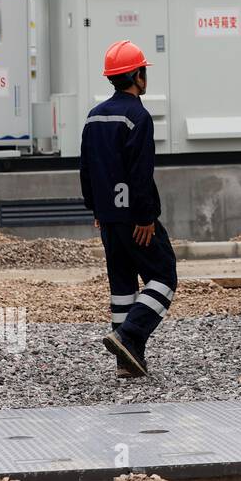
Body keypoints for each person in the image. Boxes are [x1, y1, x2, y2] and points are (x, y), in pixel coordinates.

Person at [80, 39, 176, 379]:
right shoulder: (138, 115)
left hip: (107, 217)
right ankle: (129, 336)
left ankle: (126, 361)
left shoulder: (94, 117)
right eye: (144, 71)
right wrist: (146, 216)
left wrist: (96, 207)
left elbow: (86, 169)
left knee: (122, 288)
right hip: (135, 217)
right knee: (163, 276)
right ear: (136, 75)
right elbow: (140, 171)